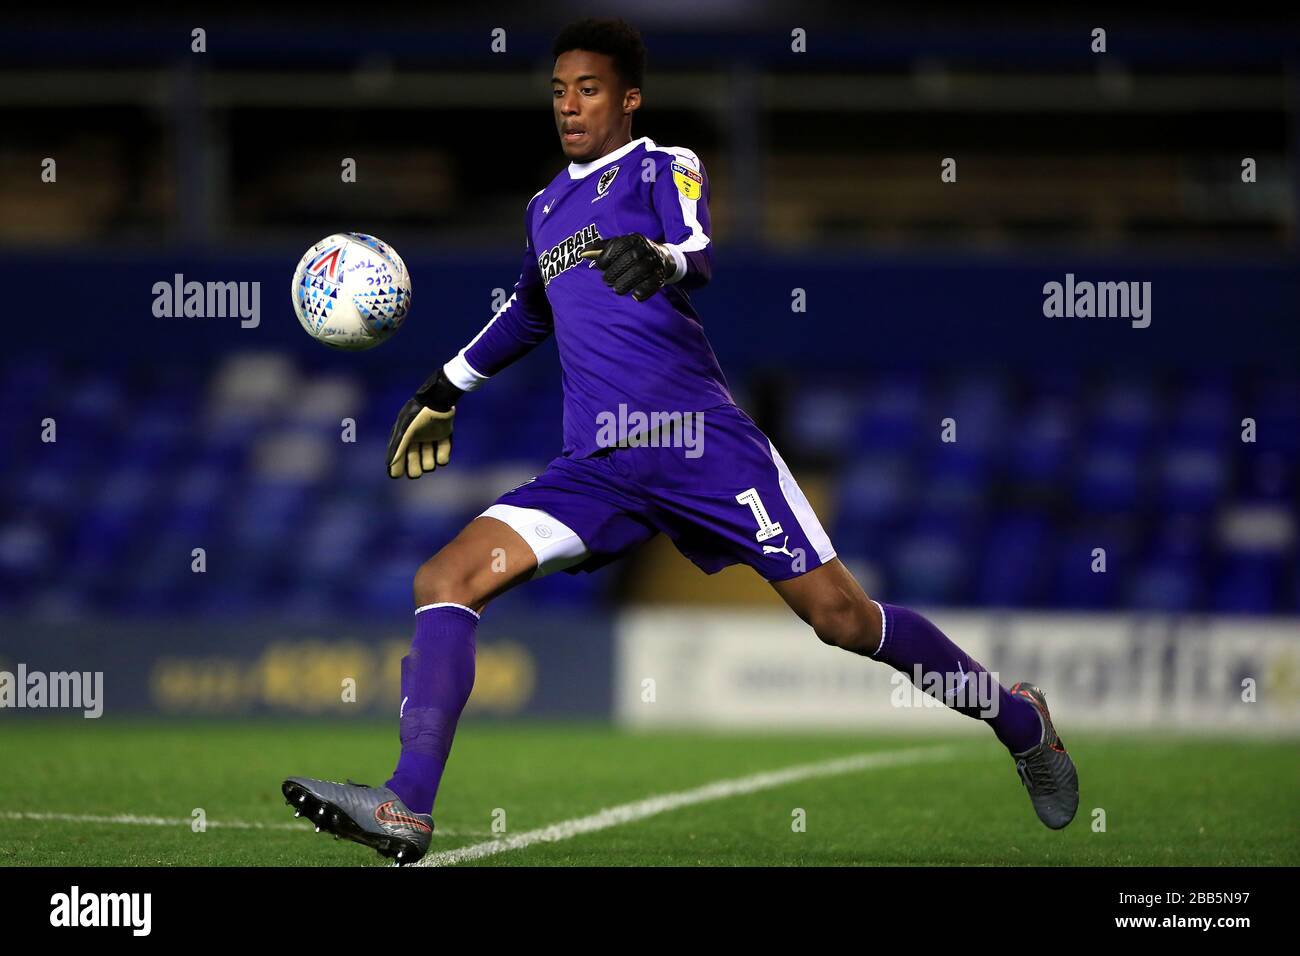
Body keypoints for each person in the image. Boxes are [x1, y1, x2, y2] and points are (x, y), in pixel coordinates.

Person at [282, 17, 1078, 865]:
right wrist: (446, 387)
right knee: (446, 576)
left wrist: (658, 259)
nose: (570, 106)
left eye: (588, 89)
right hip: (597, 467)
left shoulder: (666, 167)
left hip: (703, 448)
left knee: (841, 619)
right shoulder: (545, 207)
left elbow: (696, 250)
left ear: (628, 98)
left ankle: (1019, 720)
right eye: (558, 91)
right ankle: (407, 804)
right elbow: (530, 311)